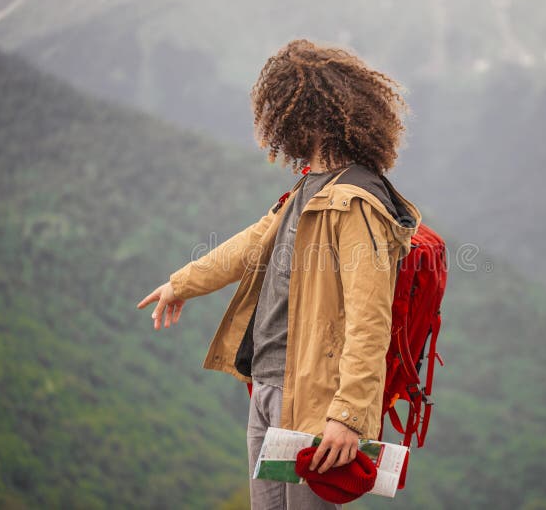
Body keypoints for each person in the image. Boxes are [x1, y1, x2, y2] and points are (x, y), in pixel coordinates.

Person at [137, 38, 421, 509]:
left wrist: (347, 416)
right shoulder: (310, 187)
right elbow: (251, 243)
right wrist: (180, 283)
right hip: (268, 386)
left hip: (314, 400)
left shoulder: (356, 203)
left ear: (305, 112)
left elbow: (370, 321)